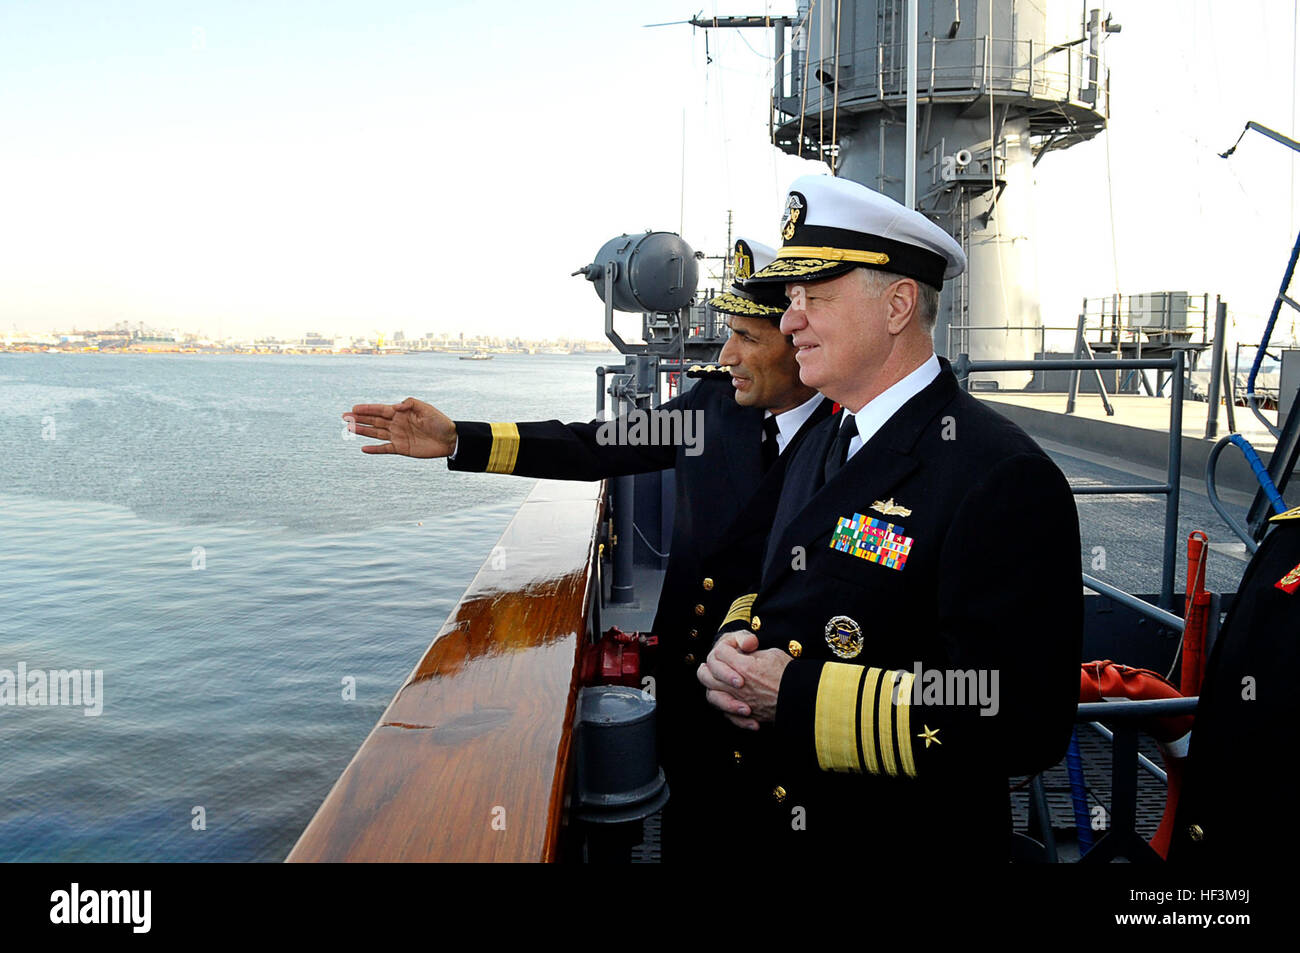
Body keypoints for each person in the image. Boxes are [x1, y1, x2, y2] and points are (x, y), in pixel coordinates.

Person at [343, 237, 833, 859]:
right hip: (693, 686)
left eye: (749, 338)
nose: (728, 353)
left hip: (784, 700)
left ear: (803, 343)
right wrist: (457, 440)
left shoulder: (852, 433)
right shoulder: (714, 409)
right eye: (728, 332)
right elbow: (594, 444)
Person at [696, 175, 1083, 860]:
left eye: (814, 296)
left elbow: (1020, 710)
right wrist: (735, 647)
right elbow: (780, 582)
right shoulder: (824, 435)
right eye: (790, 299)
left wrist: (798, 695)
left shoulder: (998, 476)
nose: (789, 321)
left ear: (899, 304)